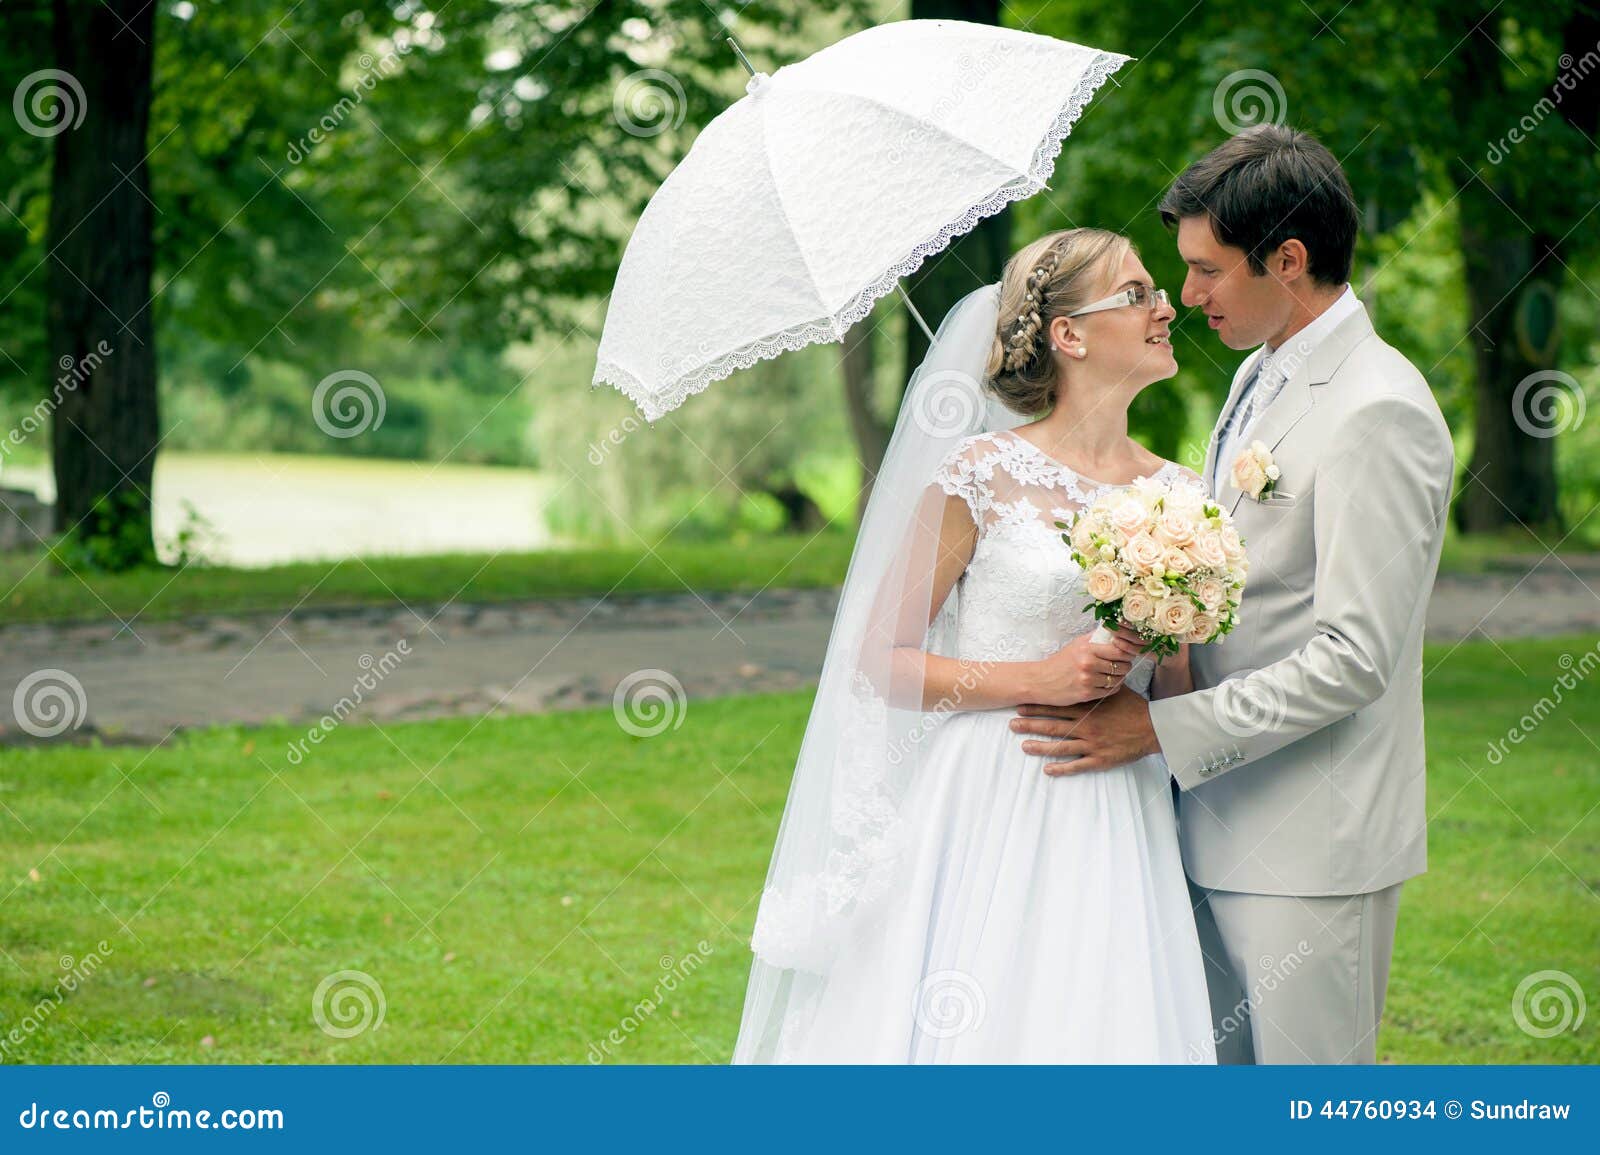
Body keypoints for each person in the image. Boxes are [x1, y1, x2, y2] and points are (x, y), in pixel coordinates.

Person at [1009, 126, 1456, 1064]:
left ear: (1287, 260)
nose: (1189, 295)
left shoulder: (1379, 408)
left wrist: (1158, 733)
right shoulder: (1255, 373)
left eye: (1208, 270)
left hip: (1311, 849)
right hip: (1208, 824)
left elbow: (1356, 659)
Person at [732, 227, 1217, 1063]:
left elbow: (1177, 695)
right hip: (990, 786)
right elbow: (879, 659)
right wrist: (1042, 675)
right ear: (1068, 335)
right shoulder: (978, 474)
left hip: (1117, 796)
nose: (1167, 304)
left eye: (1158, 289)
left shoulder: (1180, 493)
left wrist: (1161, 642)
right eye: (1137, 293)